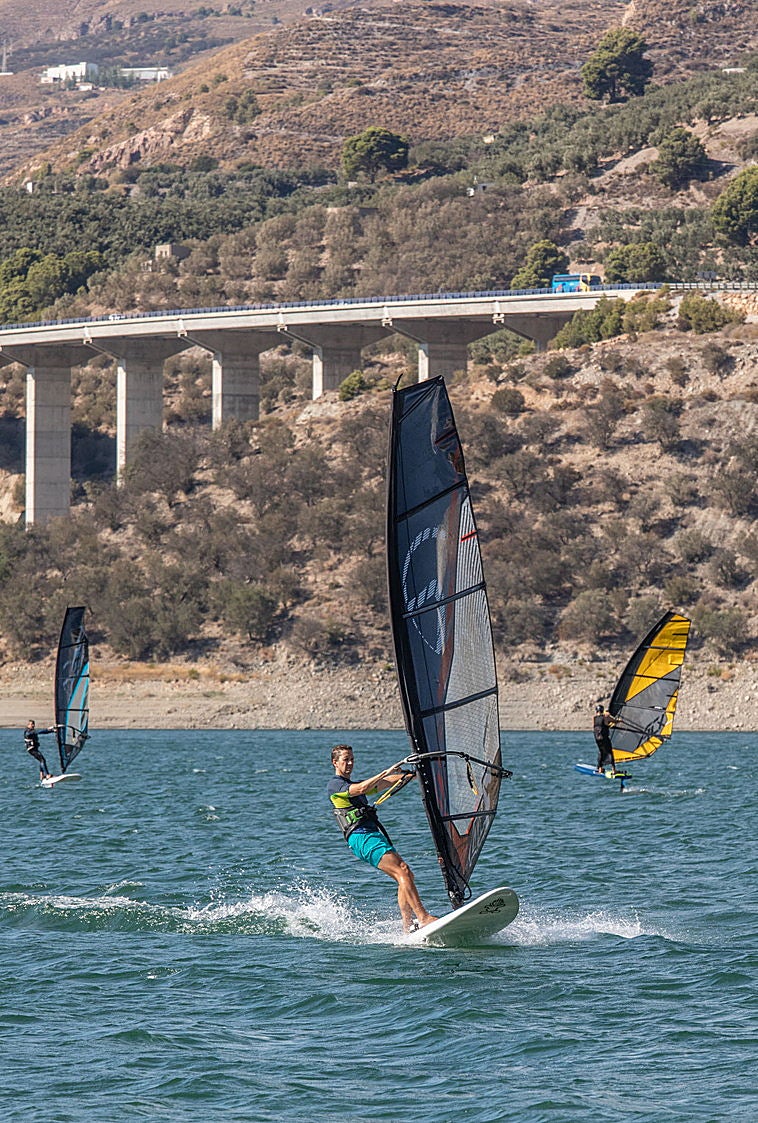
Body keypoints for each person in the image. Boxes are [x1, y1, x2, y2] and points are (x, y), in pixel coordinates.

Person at [326, 744, 437, 933]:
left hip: (371, 834)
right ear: (335, 762)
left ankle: (408, 925)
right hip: (361, 837)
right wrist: (386, 771)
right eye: (346, 759)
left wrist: (412, 774)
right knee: (402, 871)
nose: (350, 763)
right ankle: (423, 917)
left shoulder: (354, 786)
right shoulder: (336, 785)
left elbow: (382, 784)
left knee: (406, 874)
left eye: (352, 759)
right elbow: (362, 787)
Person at [593, 704, 616, 774]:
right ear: (602, 710)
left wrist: (609, 724)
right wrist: (619, 721)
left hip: (597, 738)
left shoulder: (594, 718)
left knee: (601, 752)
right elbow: (614, 720)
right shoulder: (605, 717)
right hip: (604, 738)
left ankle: (600, 768)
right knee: (610, 752)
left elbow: (600, 725)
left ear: (596, 711)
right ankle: (613, 770)